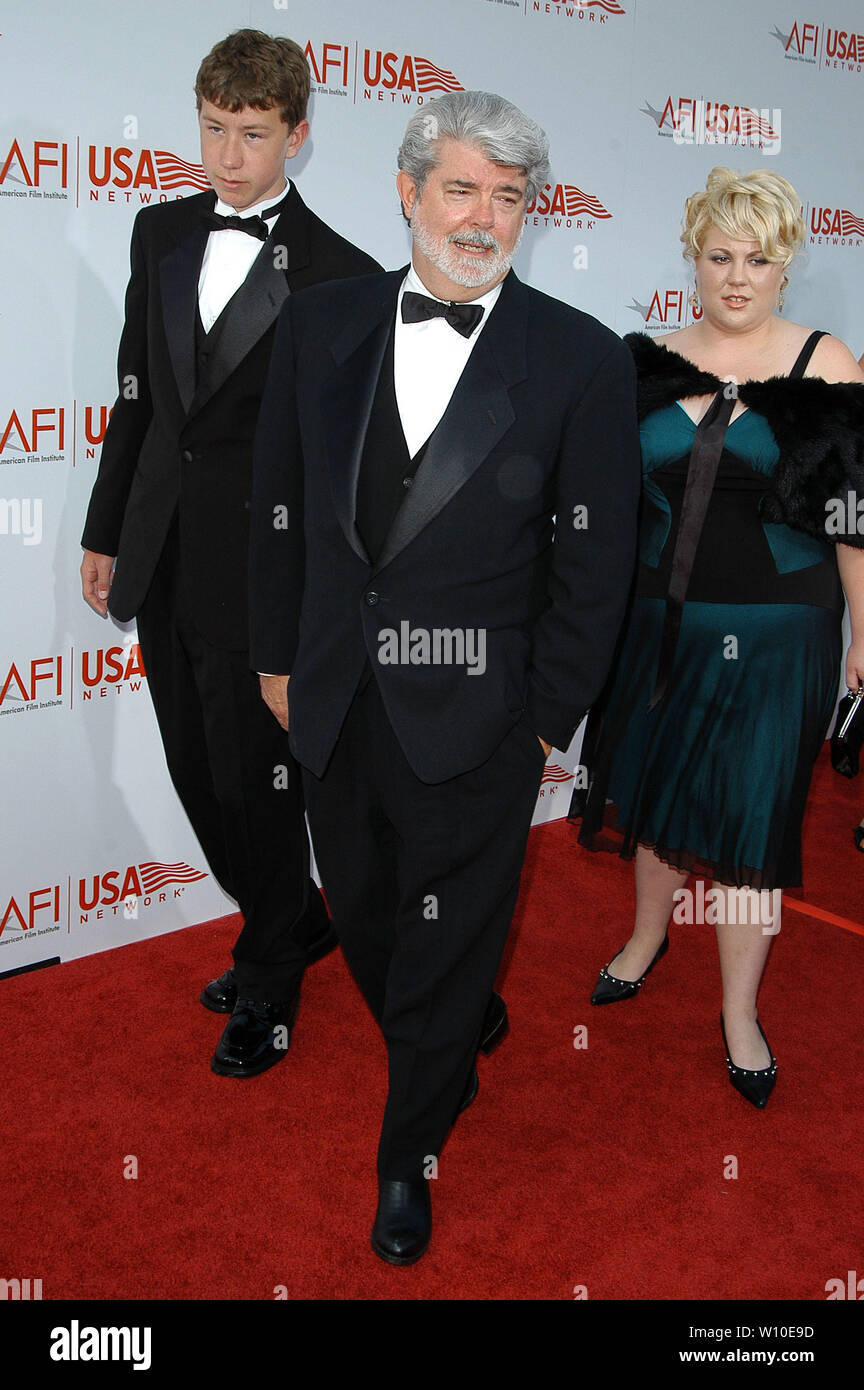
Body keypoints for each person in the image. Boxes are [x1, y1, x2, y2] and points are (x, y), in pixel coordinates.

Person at [249, 90, 640, 1264]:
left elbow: (596, 562)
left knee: (455, 935)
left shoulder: (577, 356)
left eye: (507, 197)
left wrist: (540, 724)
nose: (481, 218)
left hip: (481, 714)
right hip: (333, 693)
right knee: (367, 913)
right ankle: (449, 1023)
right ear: (409, 190)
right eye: (460, 188)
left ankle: (408, 1151)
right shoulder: (319, 323)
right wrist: (275, 655)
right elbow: (275, 509)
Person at [79, 30, 381, 1077]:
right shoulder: (157, 230)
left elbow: (339, 462)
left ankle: (270, 979)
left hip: (264, 574)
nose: (228, 156)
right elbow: (138, 397)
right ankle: (291, 916)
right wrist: (104, 526)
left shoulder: (341, 272)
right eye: (212, 130)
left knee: (257, 786)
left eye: (253, 135)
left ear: (298, 134)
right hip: (161, 550)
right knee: (199, 776)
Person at [574, 167, 864, 1107]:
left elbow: (853, 516)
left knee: (746, 817)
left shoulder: (827, 364)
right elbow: (607, 505)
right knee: (655, 789)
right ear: (692, 258)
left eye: (761, 259)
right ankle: (647, 936)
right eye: (720, 256)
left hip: (781, 632)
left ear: (788, 266)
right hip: (653, 624)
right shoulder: (645, 359)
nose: (738, 277)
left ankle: (740, 1009)